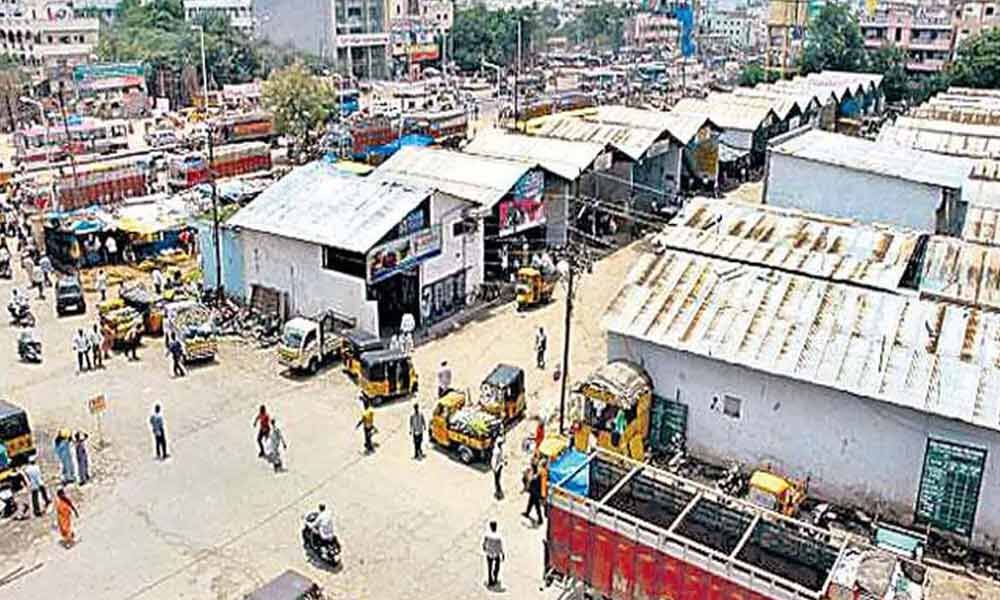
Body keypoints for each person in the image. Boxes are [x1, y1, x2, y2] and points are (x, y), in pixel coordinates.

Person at [482, 521, 505, 589]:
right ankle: (495, 577)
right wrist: (502, 553)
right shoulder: (498, 536)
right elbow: (500, 546)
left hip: (489, 554)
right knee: (497, 567)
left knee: (489, 568)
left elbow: (484, 544)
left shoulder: (487, 535)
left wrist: (485, 549)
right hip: (496, 554)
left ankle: (490, 580)